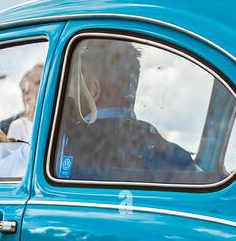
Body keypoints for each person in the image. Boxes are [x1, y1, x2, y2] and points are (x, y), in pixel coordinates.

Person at [58, 39, 200, 184]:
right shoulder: (169, 154)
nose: (67, 94)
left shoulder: (62, 145)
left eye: (72, 85)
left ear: (93, 90)